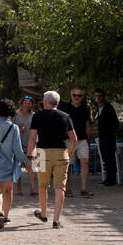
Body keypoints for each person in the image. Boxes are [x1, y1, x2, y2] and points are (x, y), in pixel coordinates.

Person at [27, 90, 79, 229]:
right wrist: (71, 151)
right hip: (61, 153)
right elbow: (74, 138)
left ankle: (43, 214)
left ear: (45, 102)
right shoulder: (65, 116)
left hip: (42, 153)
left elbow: (32, 138)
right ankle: (56, 220)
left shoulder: (37, 116)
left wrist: (29, 154)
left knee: (42, 185)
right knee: (60, 187)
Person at [0, 99, 31, 229]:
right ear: (10, 112)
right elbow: (18, 150)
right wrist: (27, 162)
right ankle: (7, 216)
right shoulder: (13, 127)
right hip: (9, 163)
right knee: (8, 190)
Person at [58, 87, 94, 197]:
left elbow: (87, 126)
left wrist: (88, 141)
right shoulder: (64, 107)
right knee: (68, 165)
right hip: (68, 140)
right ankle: (68, 189)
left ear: (82, 97)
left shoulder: (86, 109)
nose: (77, 98)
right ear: (71, 95)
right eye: (74, 95)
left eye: (79, 95)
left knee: (85, 162)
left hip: (82, 139)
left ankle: (83, 188)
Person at [94, 89, 121, 185]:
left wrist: (109, 131)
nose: (98, 98)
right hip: (102, 137)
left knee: (110, 158)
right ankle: (108, 179)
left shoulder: (108, 108)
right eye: (96, 96)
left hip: (108, 137)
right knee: (105, 159)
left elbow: (116, 123)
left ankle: (112, 180)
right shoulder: (98, 108)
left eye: (100, 96)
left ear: (104, 97)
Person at [12, 96, 37, 196]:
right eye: (25, 102)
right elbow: (10, 127)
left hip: (31, 143)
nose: (27, 104)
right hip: (17, 144)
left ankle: (33, 189)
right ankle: (18, 188)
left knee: (30, 166)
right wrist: (18, 129)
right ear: (21, 103)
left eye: (29, 103)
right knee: (18, 166)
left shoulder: (34, 115)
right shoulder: (15, 115)